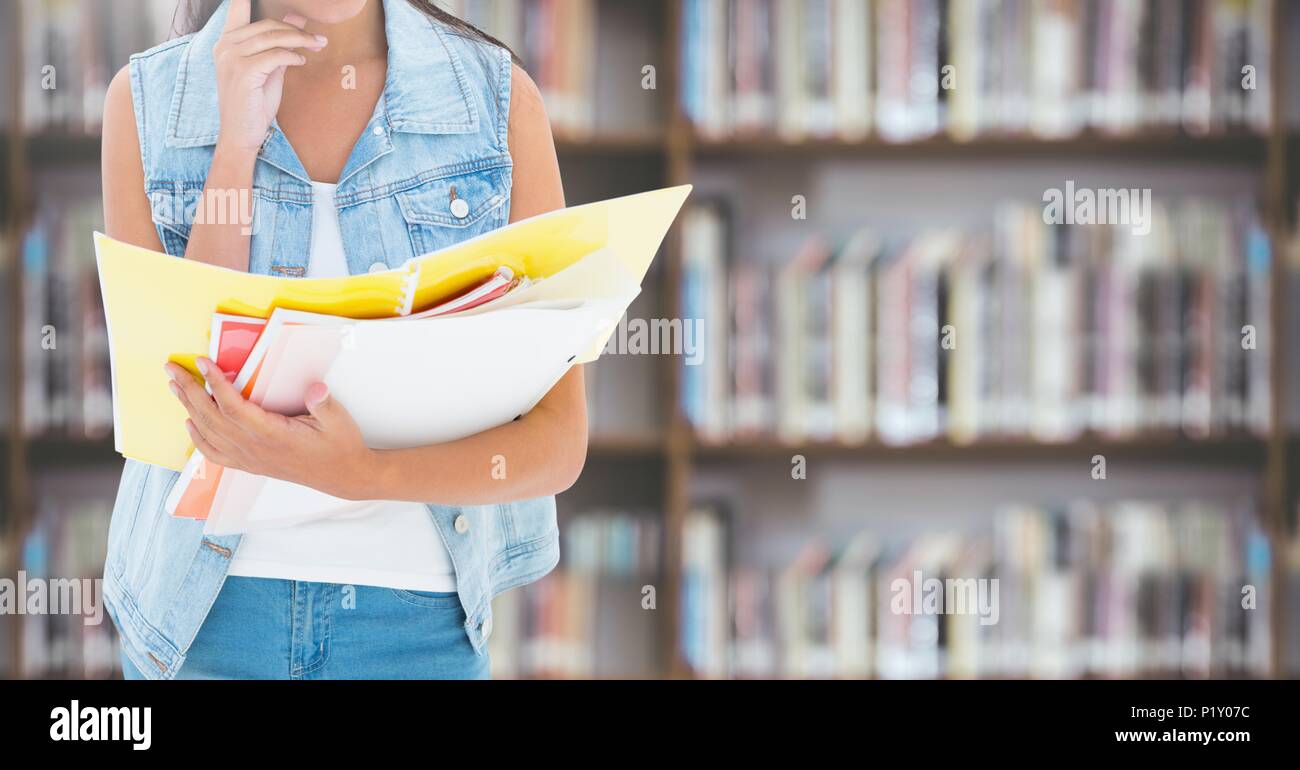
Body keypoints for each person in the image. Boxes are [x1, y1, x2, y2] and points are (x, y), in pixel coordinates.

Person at [100, 0, 585, 679]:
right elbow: (180, 400)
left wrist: (365, 475)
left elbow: (557, 444)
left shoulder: (496, 103)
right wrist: (235, 147)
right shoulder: (150, 104)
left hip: (416, 633)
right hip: (203, 626)